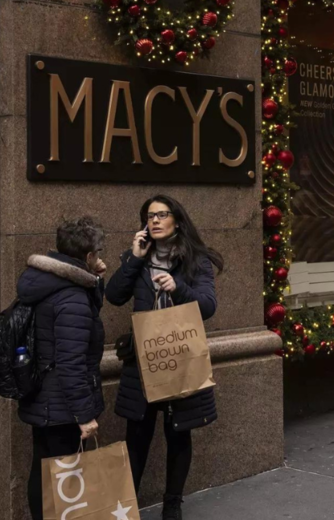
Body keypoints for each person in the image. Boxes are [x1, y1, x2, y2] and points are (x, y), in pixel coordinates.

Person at [106, 195, 223, 520]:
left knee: (178, 432)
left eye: (161, 214)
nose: (154, 220)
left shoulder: (195, 261)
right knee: (136, 437)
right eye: (149, 216)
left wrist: (179, 289)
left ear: (177, 220)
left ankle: (173, 504)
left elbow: (208, 306)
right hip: (142, 365)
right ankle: (126, 507)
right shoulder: (138, 259)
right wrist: (133, 257)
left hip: (180, 359)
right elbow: (113, 296)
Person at [17, 217, 108, 520]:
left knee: (42, 471)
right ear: (88, 257)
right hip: (62, 406)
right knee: (62, 479)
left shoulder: (46, 282)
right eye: (98, 252)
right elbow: (71, 364)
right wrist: (84, 416)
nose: (101, 257)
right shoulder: (72, 298)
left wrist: (96, 281)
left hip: (42, 398)